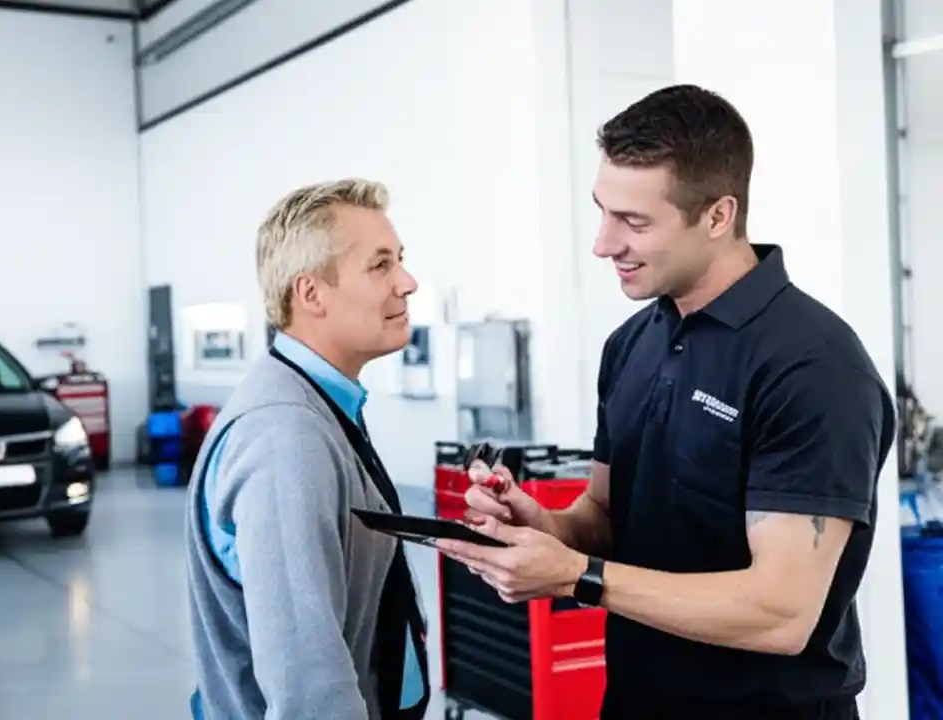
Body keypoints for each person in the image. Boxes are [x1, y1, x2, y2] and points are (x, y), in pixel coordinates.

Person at [437, 84, 895, 719]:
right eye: (602, 211)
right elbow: (604, 513)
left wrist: (577, 575)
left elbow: (782, 612)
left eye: (634, 222)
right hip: (635, 700)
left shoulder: (813, 366)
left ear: (717, 215)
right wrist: (542, 526)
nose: (603, 244)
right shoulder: (631, 345)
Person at [184, 179, 430, 720]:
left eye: (401, 261)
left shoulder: (318, 404)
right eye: (380, 265)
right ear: (311, 293)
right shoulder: (284, 437)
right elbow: (308, 685)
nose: (407, 282)